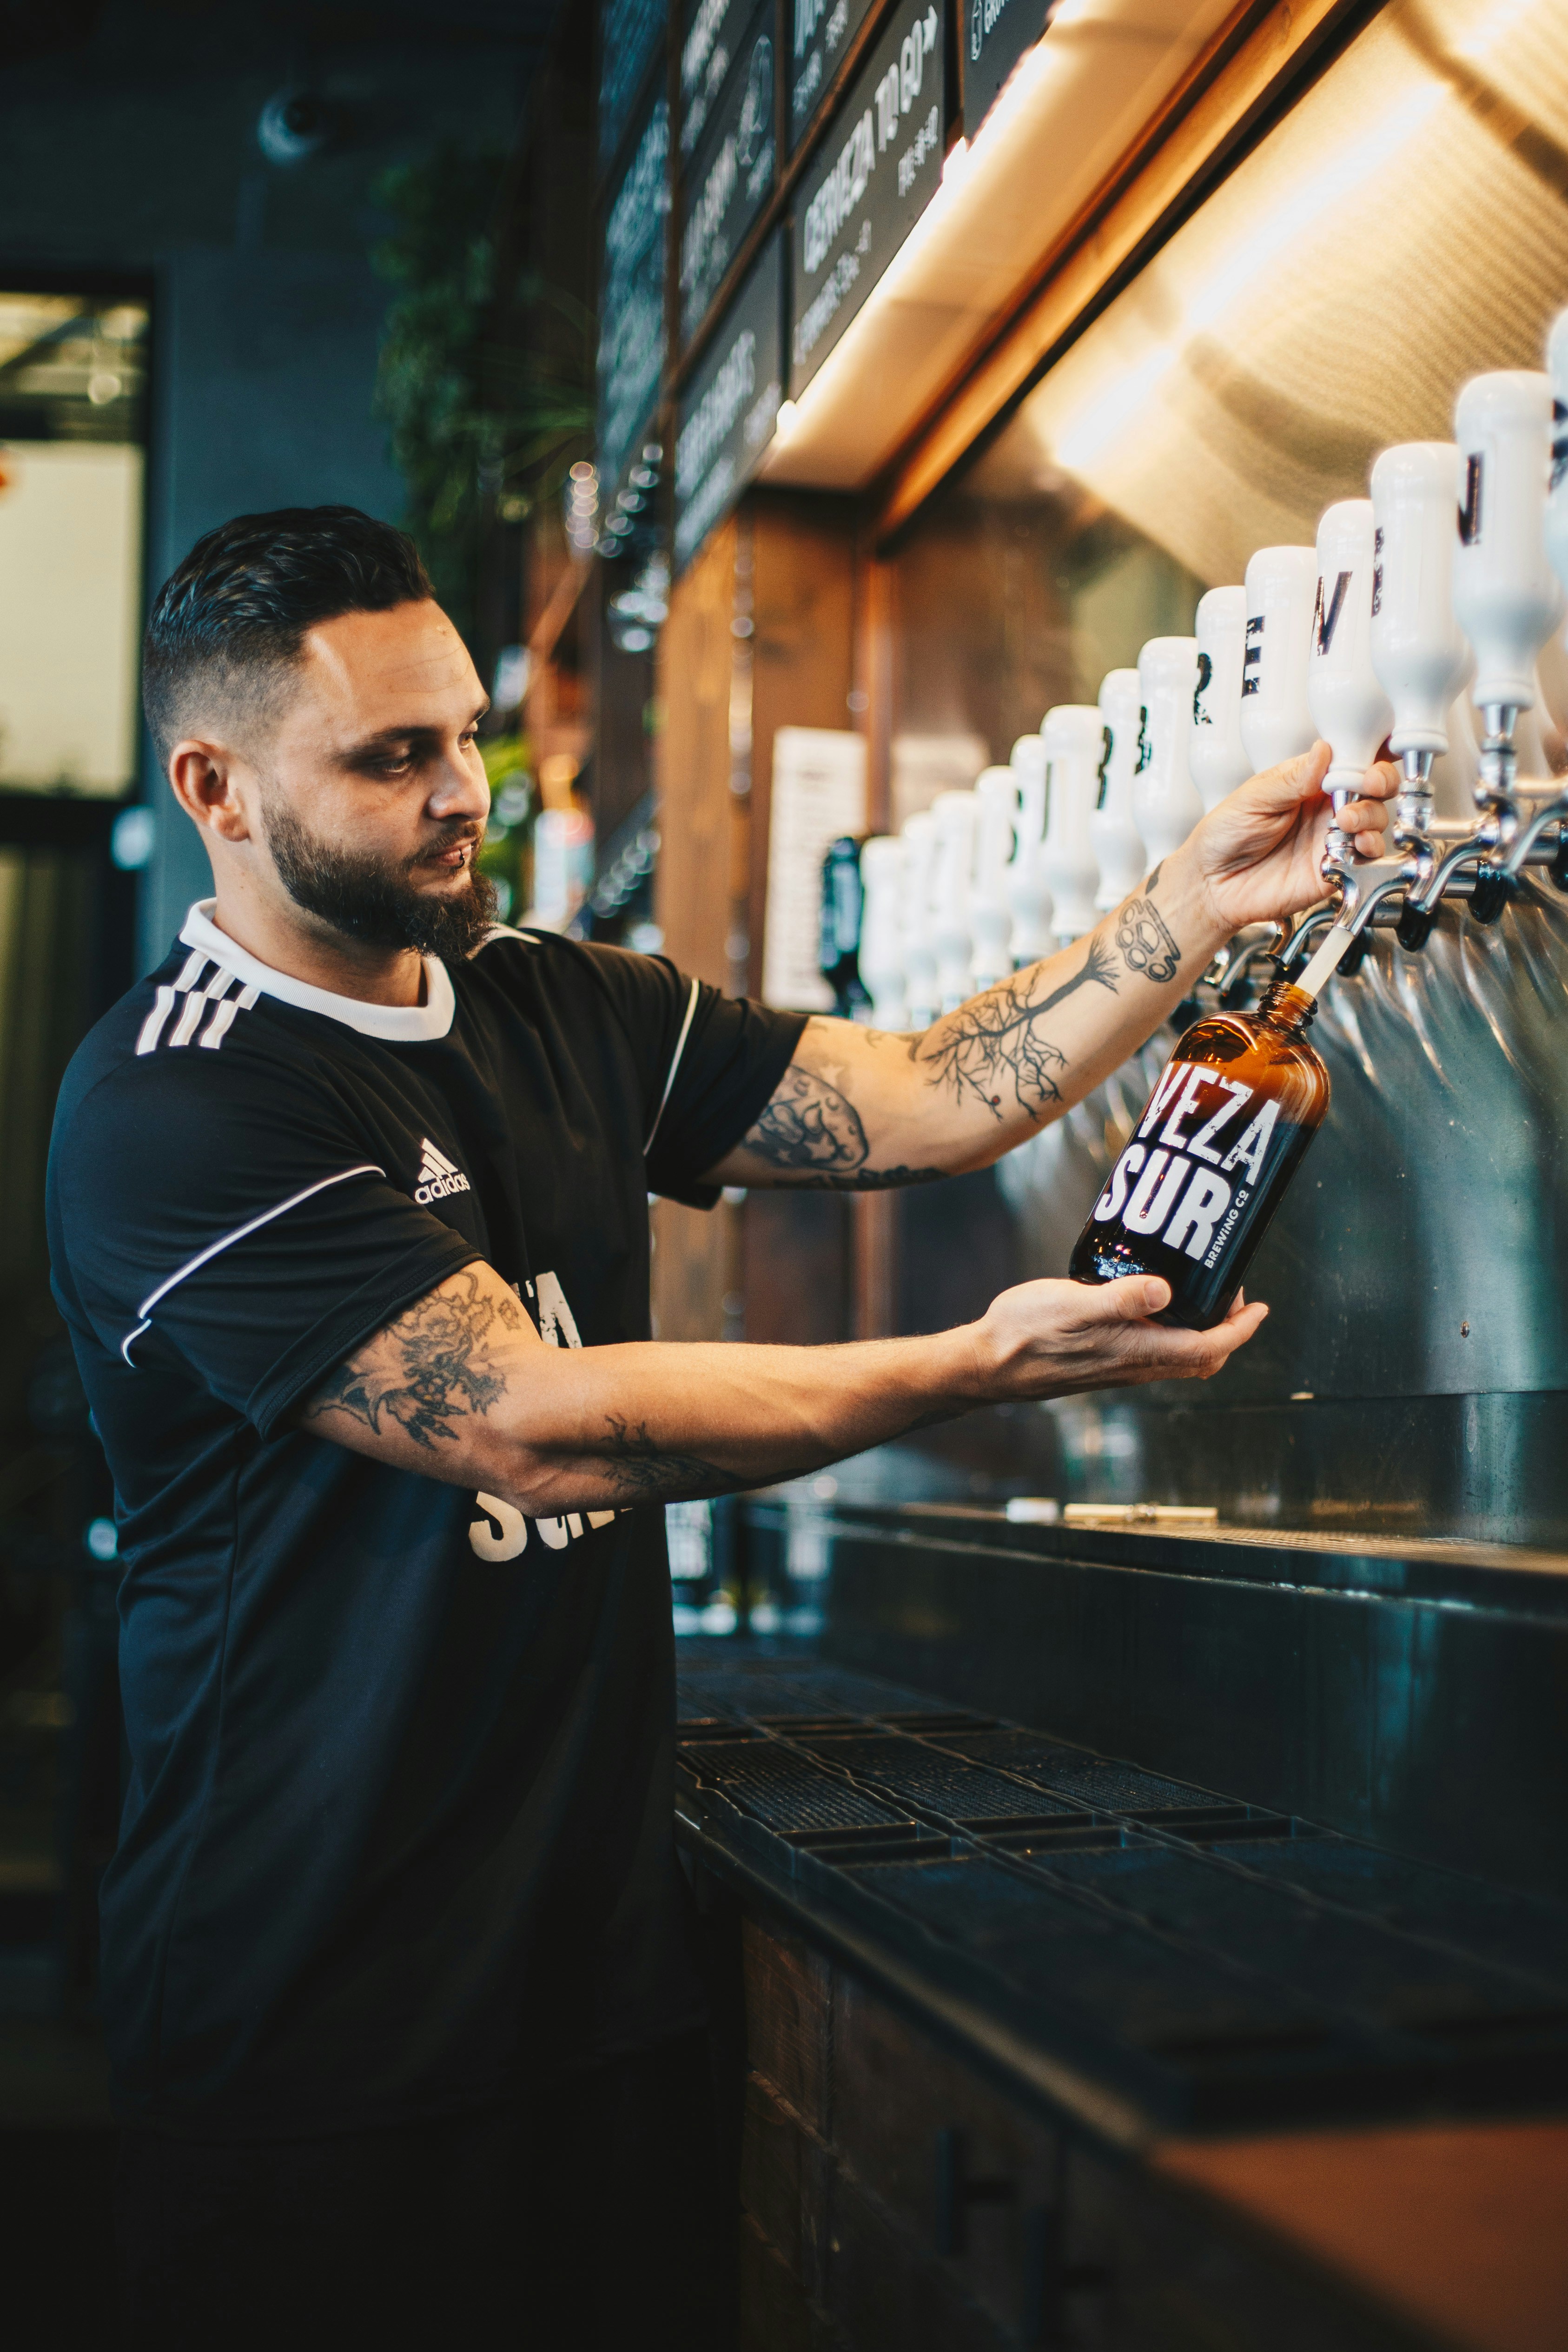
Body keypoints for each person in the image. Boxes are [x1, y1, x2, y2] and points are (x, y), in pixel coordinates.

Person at [46, 507, 1396, 2348]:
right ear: (214, 782)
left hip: (595, 1971)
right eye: (393, 756)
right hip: (319, 2002)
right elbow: (531, 1422)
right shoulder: (176, 1100)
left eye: (467, 738)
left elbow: (922, 1098)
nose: (461, 793)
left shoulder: (557, 1001)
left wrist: (1186, 901)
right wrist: (964, 1365)